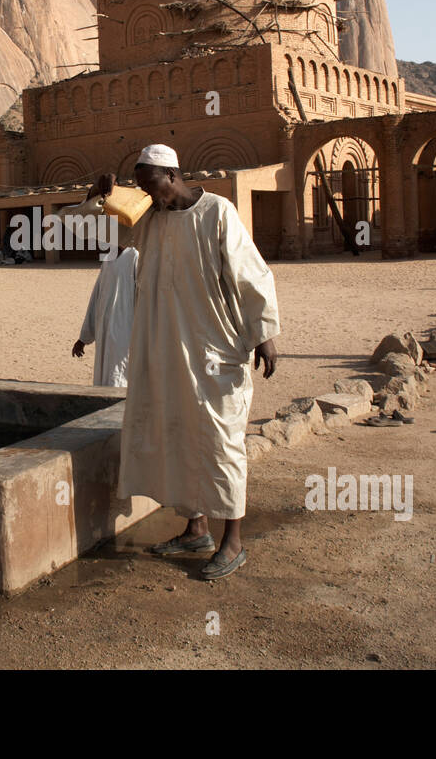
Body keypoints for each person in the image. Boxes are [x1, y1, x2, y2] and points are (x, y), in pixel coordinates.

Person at [89, 145, 280, 580]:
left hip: (217, 347)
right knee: (177, 431)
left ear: (172, 174)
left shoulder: (217, 211)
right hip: (168, 349)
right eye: (140, 186)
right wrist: (102, 195)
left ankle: (233, 540)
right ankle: (196, 528)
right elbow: (111, 231)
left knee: (221, 439)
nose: (147, 194)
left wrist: (265, 332)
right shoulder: (150, 218)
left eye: (151, 184)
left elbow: (253, 273)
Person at [72, 245, 139, 388]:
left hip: (125, 330)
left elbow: (144, 297)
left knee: (119, 375)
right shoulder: (108, 258)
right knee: (104, 376)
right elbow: (96, 298)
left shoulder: (135, 256)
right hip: (104, 330)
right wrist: (83, 338)